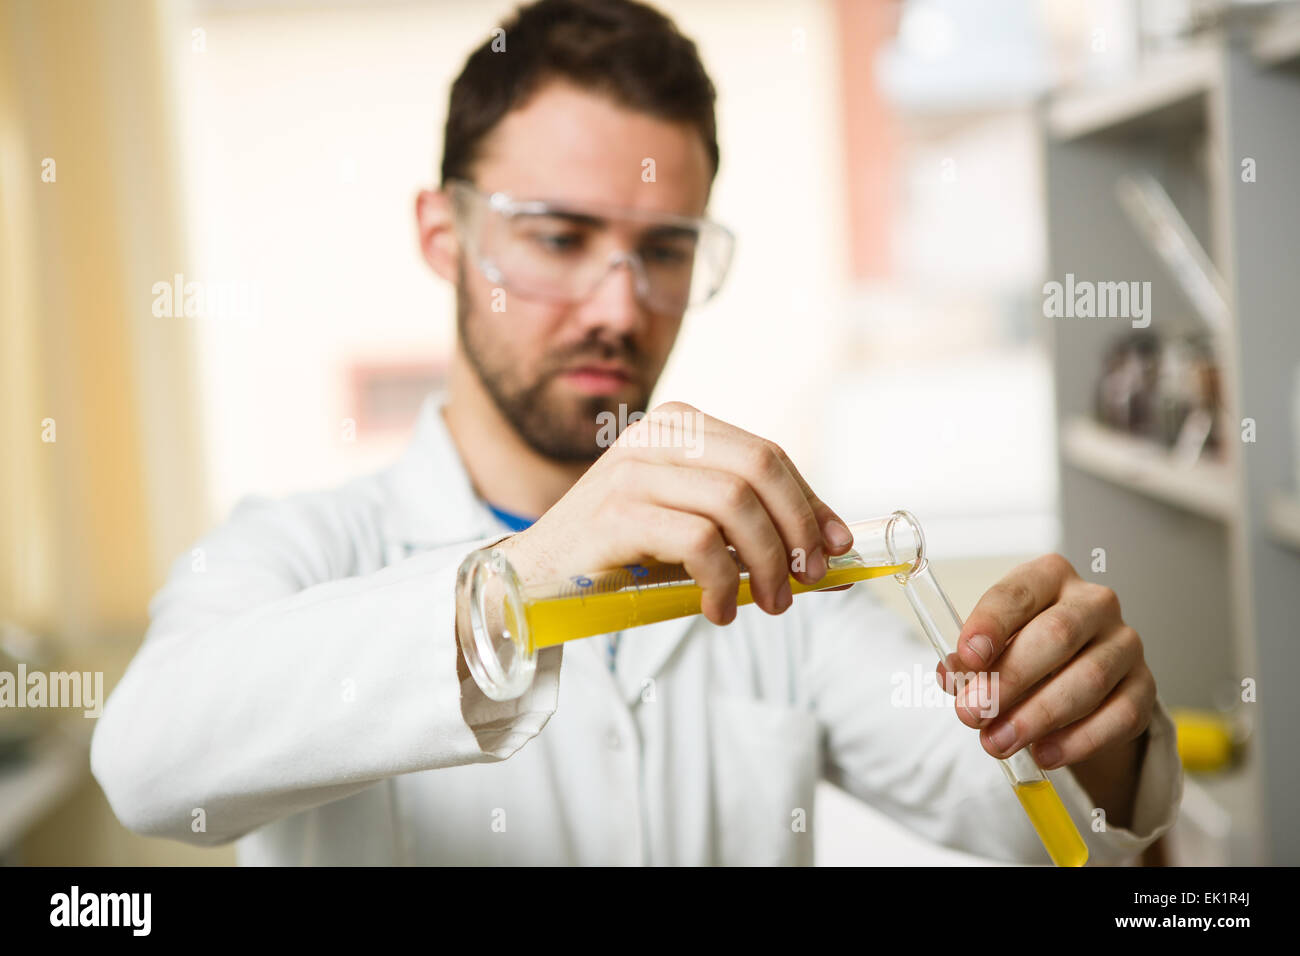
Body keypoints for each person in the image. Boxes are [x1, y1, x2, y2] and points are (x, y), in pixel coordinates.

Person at [91, 0, 1181, 865]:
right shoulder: (298, 551)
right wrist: (515, 581)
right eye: (560, 236)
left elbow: (1049, 831)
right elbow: (146, 763)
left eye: (662, 249)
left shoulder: (771, 593)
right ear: (444, 235)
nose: (619, 303)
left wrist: (1100, 732)